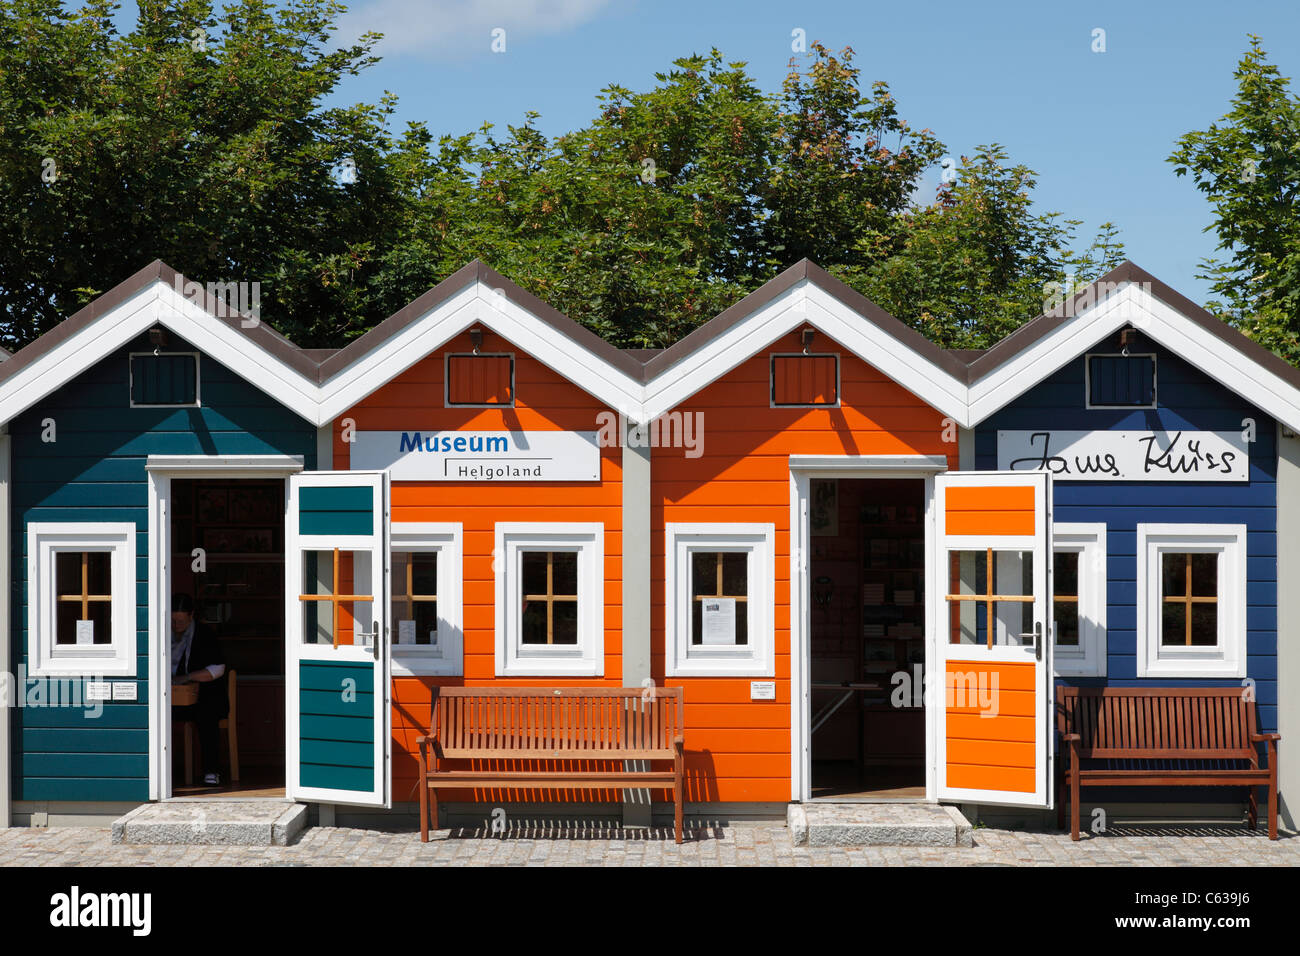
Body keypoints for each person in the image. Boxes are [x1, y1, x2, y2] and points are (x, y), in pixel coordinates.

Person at [171, 594, 229, 786]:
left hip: (202, 696)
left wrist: (187, 677)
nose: (176, 625)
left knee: (207, 713)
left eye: (180, 621)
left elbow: (218, 669)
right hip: (170, 695)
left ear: (191, 616)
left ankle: (211, 771)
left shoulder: (204, 634)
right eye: (173, 620)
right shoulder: (161, 633)